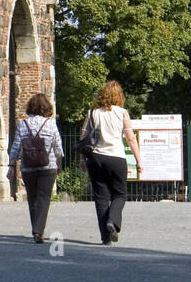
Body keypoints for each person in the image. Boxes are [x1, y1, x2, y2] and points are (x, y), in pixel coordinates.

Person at [79, 80, 142, 245]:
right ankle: (112, 221)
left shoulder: (92, 112)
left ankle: (105, 238)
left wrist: (82, 159)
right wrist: (138, 160)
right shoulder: (122, 113)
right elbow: (130, 139)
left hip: (96, 158)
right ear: (119, 96)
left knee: (101, 197)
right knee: (120, 194)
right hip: (116, 157)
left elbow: (83, 137)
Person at [8, 93, 64, 243]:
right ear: (47, 108)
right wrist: (58, 164)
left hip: (28, 167)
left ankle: (36, 230)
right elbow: (58, 147)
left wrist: (11, 165)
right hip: (48, 166)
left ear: (30, 107)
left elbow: (16, 147)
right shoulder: (51, 124)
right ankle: (38, 230)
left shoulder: (22, 124)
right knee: (44, 199)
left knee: (32, 198)